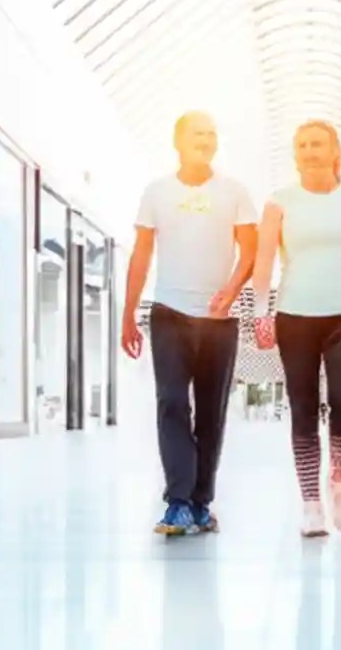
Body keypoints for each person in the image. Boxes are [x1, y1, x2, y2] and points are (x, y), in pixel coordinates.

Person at [251, 119, 341, 538]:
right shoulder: (279, 202)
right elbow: (263, 264)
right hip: (295, 316)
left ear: (335, 152)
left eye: (318, 144)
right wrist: (261, 312)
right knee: (303, 407)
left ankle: (340, 477)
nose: (310, 151)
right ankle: (311, 502)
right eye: (303, 145)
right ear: (296, 155)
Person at [121, 111, 257, 536]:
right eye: (199, 133)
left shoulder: (235, 192)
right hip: (170, 314)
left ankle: (201, 502)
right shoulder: (156, 192)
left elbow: (250, 251)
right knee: (172, 403)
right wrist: (129, 314)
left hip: (219, 321)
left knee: (211, 413)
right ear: (178, 140)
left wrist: (232, 290)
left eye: (213, 134)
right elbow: (141, 256)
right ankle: (178, 502)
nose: (207, 140)